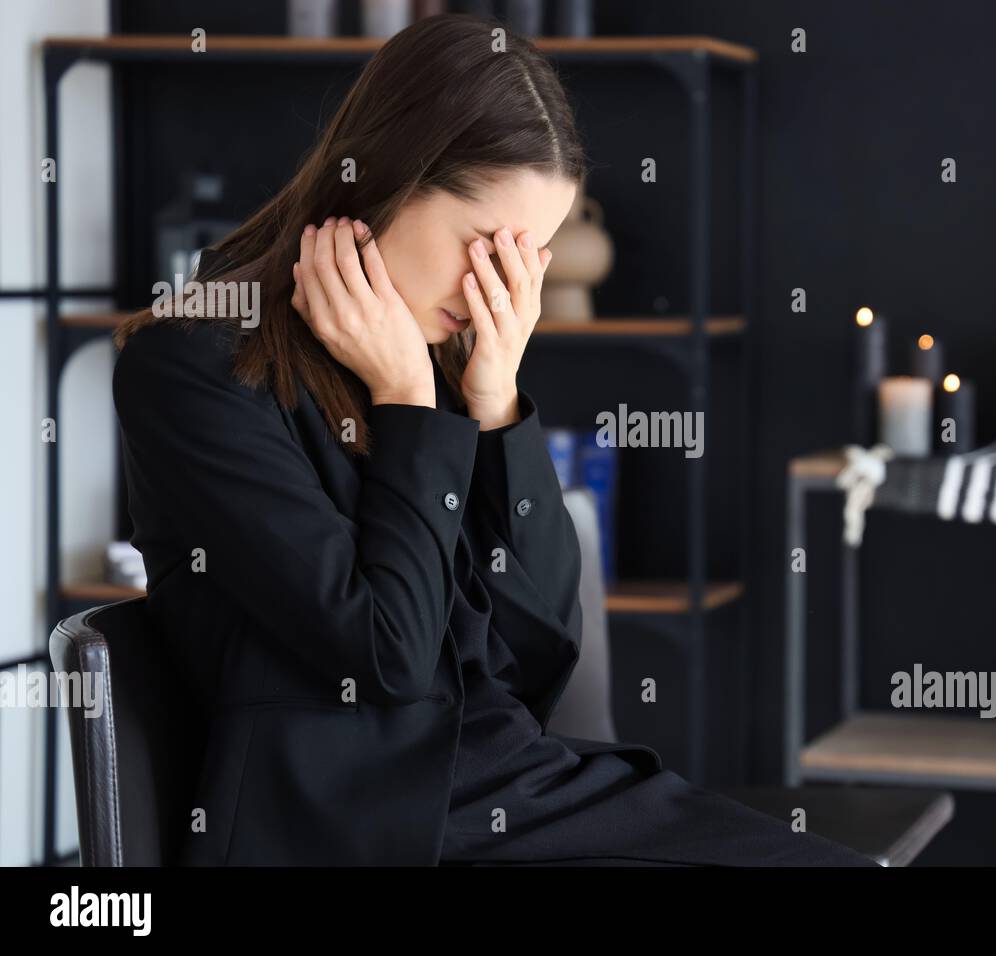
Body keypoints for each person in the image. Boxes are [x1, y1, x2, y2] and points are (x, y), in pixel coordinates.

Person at [112, 13, 877, 867]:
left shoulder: (442, 353)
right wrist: (405, 401)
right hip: (359, 831)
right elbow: (384, 658)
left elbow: (543, 654)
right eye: (483, 245)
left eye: (529, 255)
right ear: (385, 181)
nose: (496, 290)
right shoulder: (192, 369)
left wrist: (497, 402)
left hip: (522, 791)